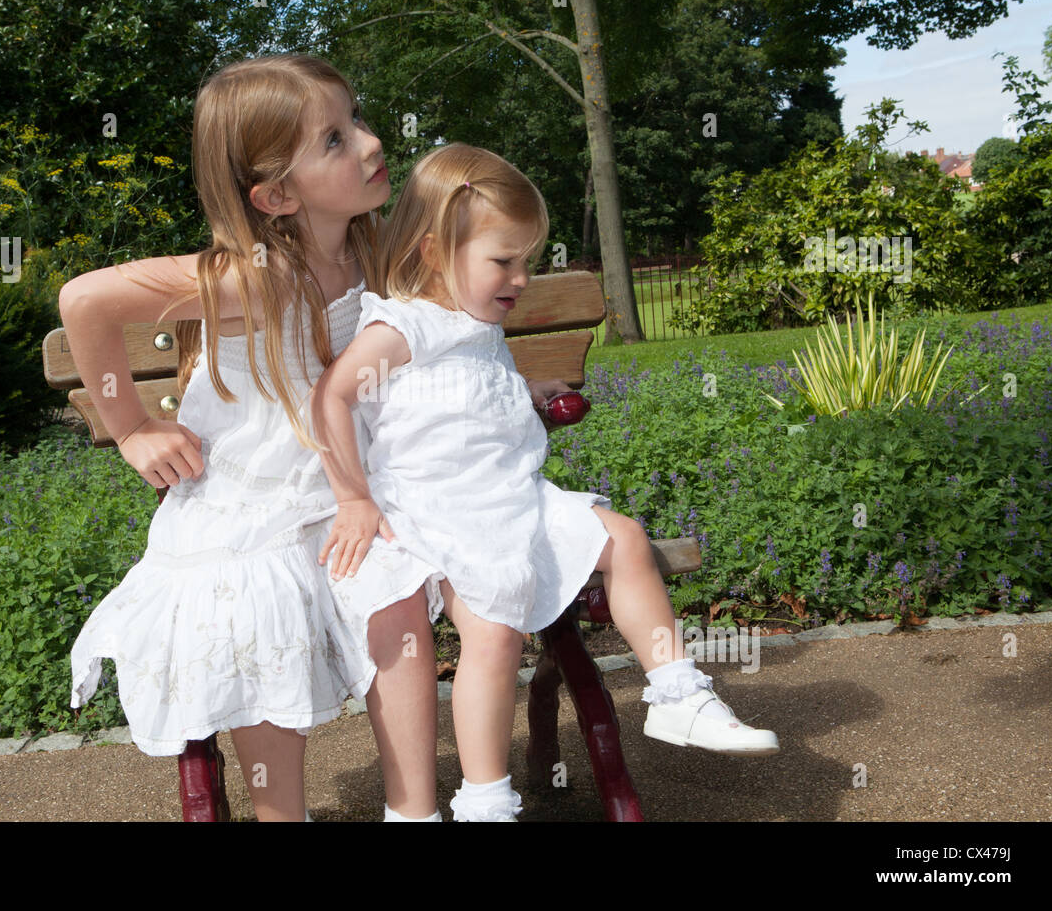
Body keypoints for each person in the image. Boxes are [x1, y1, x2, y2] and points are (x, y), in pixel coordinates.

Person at [310, 142, 779, 823]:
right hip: (440, 516)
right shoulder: (403, 325)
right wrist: (352, 497)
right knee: (495, 634)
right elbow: (332, 397)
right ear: (437, 253)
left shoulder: (478, 326)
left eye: (527, 260)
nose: (522, 277)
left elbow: (461, 392)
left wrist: (526, 390)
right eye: (504, 261)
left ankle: (679, 695)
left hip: (516, 498)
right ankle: (486, 800)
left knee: (624, 536)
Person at [60, 54, 439, 822]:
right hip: (252, 500)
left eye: (356, 119)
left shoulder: (372, 251)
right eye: (334, 139)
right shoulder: (255, 277)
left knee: (394, 589)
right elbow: (85, 299)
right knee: (255, 618)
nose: (369, 143)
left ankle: (415, 810)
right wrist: (129, 425)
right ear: (276, 194)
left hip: (343, 491)